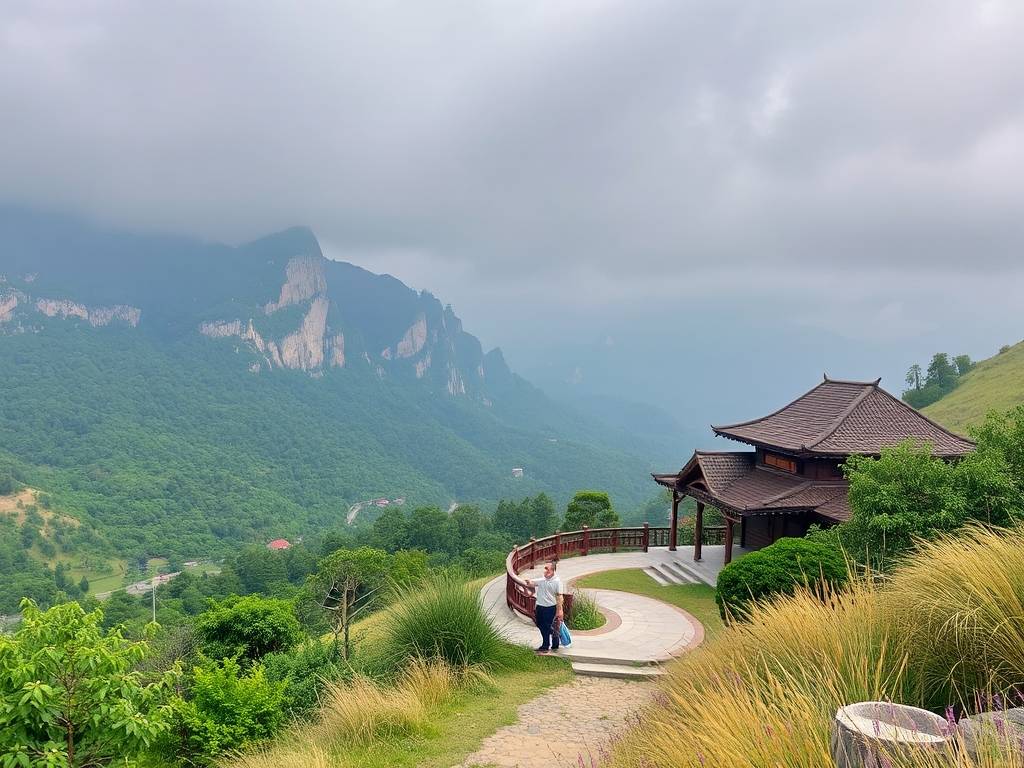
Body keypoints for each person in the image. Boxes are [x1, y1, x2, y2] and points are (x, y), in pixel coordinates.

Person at [524, 560, 564, 653]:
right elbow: (532, 583)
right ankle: (555, 637)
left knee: (546, 626)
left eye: (547, 569)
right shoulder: (542, 580)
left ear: (553, 570)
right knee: (540, 624)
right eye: (545, 569)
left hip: (550, 608)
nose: (545, 571)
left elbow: (559, 597)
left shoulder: (557, 582)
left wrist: (560, 611)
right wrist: (527, 581)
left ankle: (545, 645)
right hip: (540, 607)